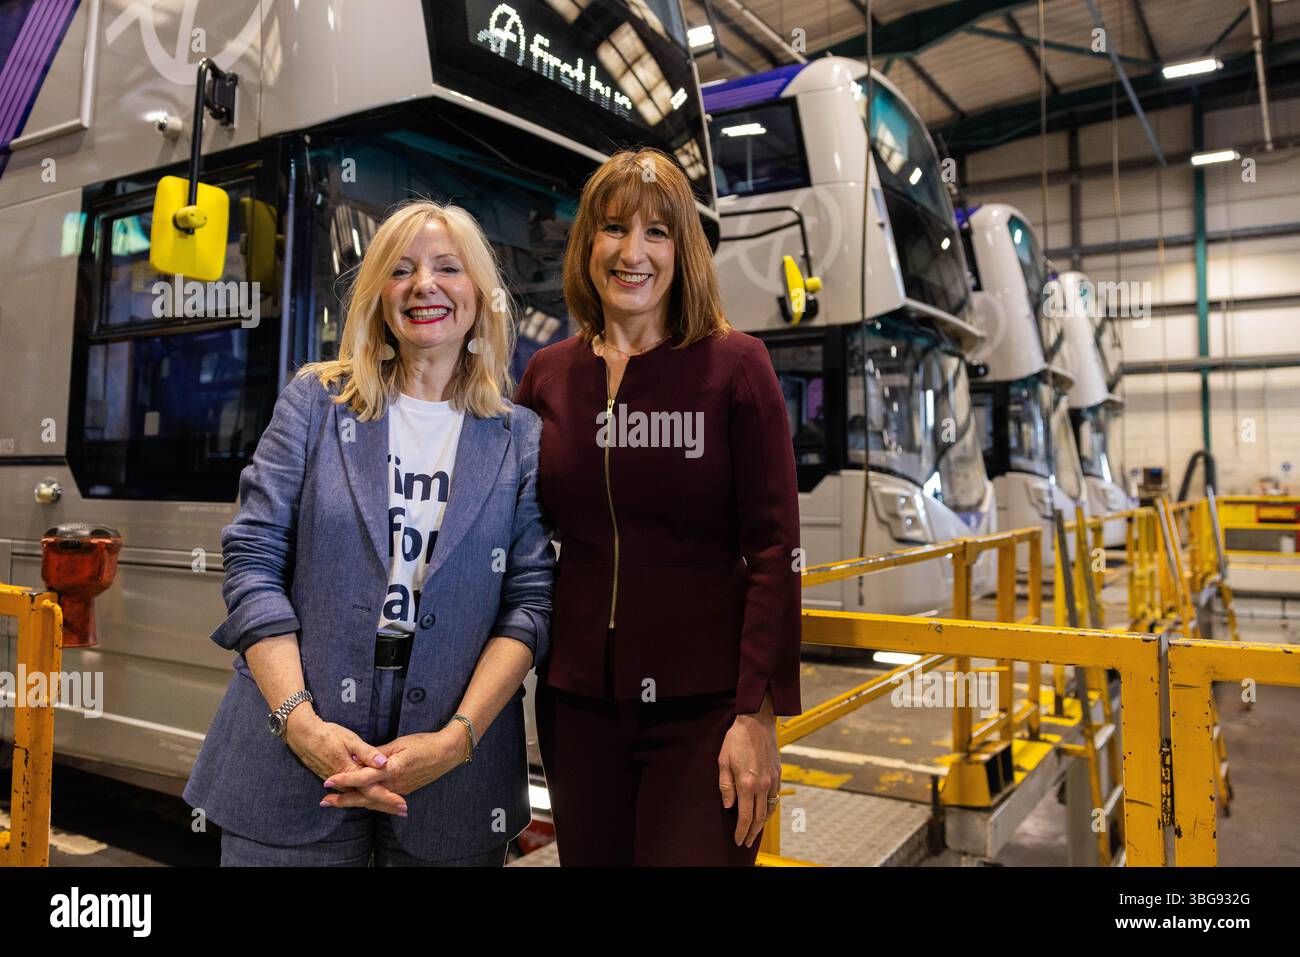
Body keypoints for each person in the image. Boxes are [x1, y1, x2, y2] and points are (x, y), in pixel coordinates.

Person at [184, 200, 554, 866]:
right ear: (379, 294)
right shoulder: (314, 403)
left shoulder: (518, 437)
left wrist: (454, 741)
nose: (424, 285)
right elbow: (252, 560)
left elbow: (529, 604)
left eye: (448, 268)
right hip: (289, 774)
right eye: (402, 269)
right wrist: (301, 725)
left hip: (452, 791)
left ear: (480, 294)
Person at [513, 148, 802, 866]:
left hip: (705, 714)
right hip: (576, 706)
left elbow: (774, 546)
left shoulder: (736, 366)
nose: (632, 252)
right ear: (588, 245)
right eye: (613, 229)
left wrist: (756, 714)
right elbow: (513, 528)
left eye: (657, 233)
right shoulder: (548, 375)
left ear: (684, 253)